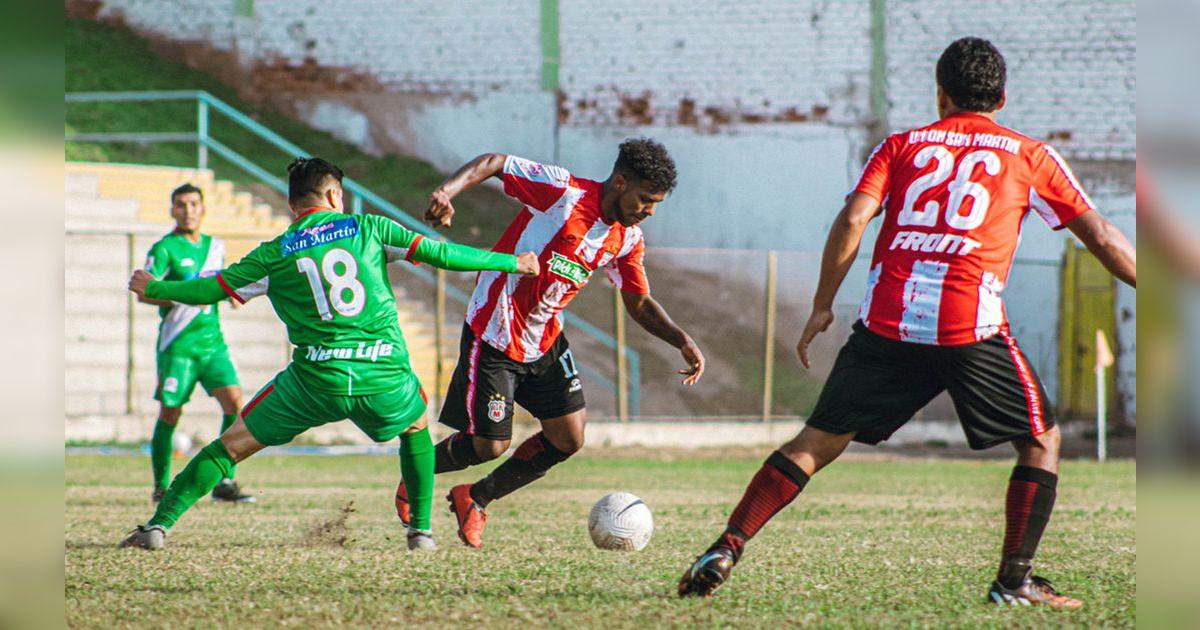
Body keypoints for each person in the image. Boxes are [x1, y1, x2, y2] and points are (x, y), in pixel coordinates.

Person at [676, 37, 1136, 608]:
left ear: (941, 94)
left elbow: (853, 218)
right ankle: (1014, 581)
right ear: (1002, 97)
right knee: (1041, 441)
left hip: (887, 322)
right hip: (968, 326)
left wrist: (823, 303)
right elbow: (1103, 237)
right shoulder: (1027, 154)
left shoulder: (900, 146)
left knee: (816, 442)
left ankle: (726, 545)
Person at [119, 157, 539, 552]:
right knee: (415, 426)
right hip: (382, 375)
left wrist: (155, 287)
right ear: (336, 196)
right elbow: (441, 254)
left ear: (291, 204)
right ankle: (421, 533)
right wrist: (512, 262)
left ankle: (158, 526)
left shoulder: (275, 252)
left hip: (315, 381)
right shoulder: (369, 228)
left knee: (230, 446)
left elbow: (210, 288)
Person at [394, 138, 706, 548]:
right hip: (495, 333)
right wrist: (446, 192)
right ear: (620, 182)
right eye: (645, 199)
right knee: (489, 446)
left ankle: (476, 498)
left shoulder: (627, 239)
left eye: (656, 204)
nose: (648, 210)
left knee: (569, 438)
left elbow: (639, 301)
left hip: (545, 340)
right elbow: (495, 162)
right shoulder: (563, 193)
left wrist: (681, 340)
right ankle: (417, 475)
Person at [140, 183, 251, 504]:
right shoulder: (164, 249)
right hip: (179, 344)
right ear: (172, 210)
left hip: (213, 344)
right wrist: (180, 293)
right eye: (181, 205)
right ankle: (161, 486)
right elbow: (146, 291)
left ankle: (225, 481)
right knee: (171, 412)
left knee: (235, 404)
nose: (187, 210)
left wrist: (231, 296)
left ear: (202, 209)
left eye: (193, 204)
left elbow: (221, 284)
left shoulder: (215, 247)